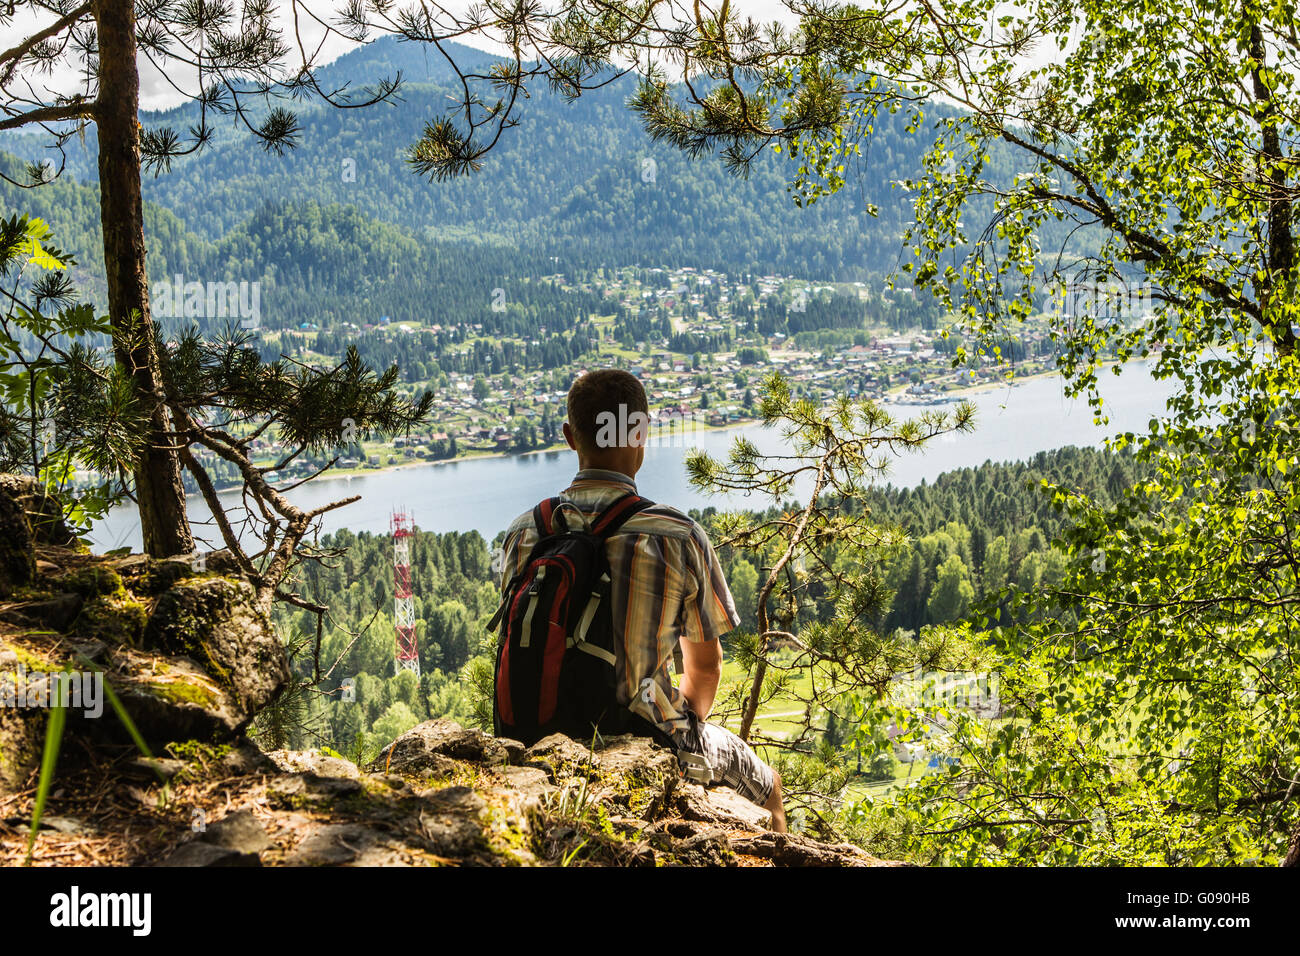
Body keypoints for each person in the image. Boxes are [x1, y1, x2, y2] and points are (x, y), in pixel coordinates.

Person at [498, 368, 787, 831]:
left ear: (570, 437)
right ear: (642, 433)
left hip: (537, 733)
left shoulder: (524, 532)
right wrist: (682, 722)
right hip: (645, 737)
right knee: (768, 786)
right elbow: (706, 671)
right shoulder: (677, 534)